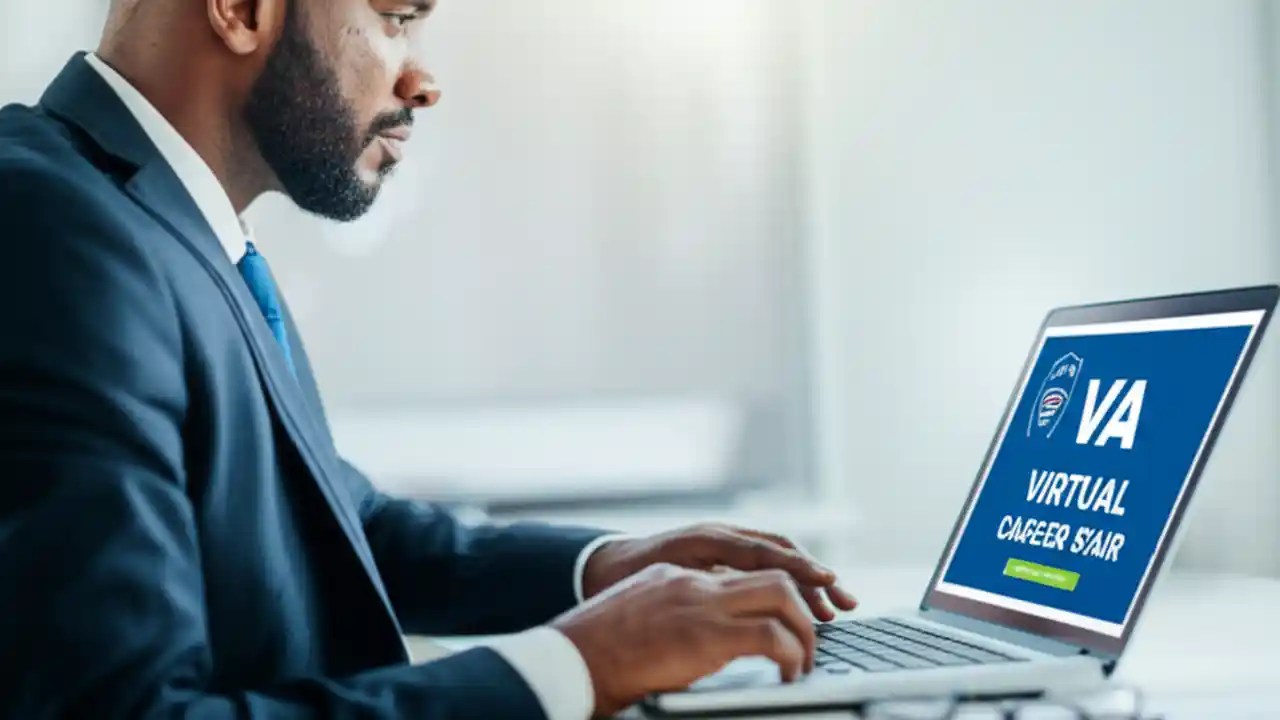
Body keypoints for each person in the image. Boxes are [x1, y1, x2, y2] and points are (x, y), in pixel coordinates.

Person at [0, 1, 858, 718]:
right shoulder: (56, 233)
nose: (423, 79)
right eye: (395, 16)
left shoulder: (159, 224)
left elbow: (333, 516)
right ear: (239, 9)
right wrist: (570, 669)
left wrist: (600, 568)